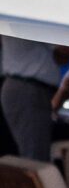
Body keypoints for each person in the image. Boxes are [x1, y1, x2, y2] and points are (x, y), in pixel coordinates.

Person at [1, 32, 62, 163]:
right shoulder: (38, 22)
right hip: (29, 90)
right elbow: (63, 53)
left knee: (31, 154)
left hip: (20, 87)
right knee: (35, 158)